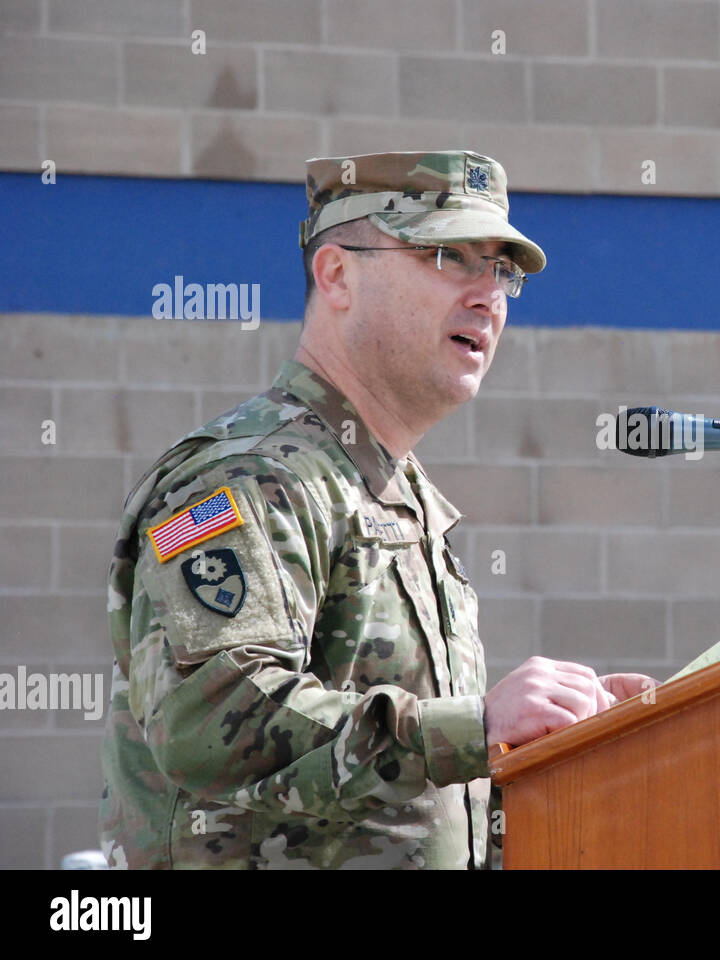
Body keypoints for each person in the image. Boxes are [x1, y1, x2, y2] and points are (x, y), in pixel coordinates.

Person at [100, 150, 657, 869]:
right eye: (449, 255)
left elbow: (405, 800)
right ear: (337, 275)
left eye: (502, 270)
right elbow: (213, 723)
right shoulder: (248, 479)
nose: (490, 295)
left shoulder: (399, 495)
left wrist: (551, 744)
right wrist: (475, 724)